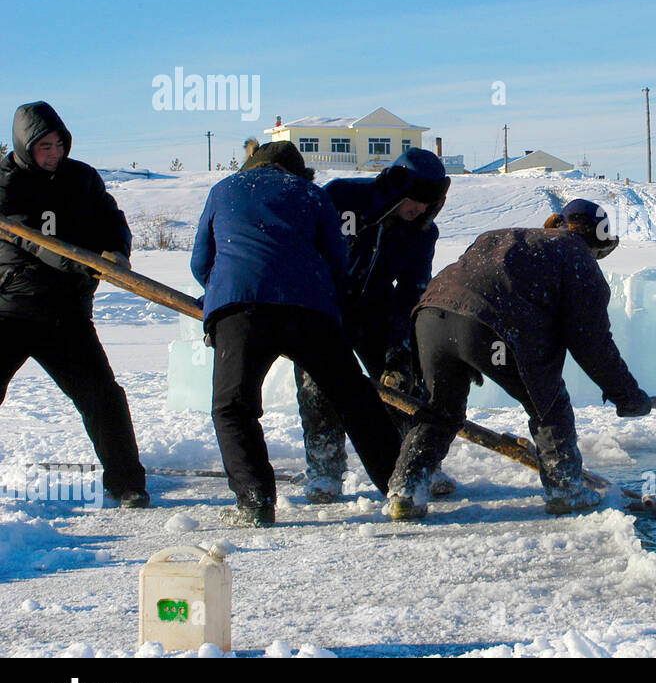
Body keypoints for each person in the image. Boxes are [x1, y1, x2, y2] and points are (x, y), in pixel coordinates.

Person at [387, 199, 652, 518]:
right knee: (549, 405)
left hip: (430, 317)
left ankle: (406, 492)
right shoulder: (577, 257)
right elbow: (591, 342)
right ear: (594, 241)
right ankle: (565, 490)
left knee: (440, 410)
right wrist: (627, 395)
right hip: (488, 324)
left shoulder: (506, 236)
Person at [191, 141, 401, 527]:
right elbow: (337, 258)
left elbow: (201, 260)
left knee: (233, 407)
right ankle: (400, 486)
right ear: (298, 171)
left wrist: (220, 292)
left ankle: (255, 500)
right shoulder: (311, 193)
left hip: (242, 306)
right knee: (355, 398)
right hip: (309, 308)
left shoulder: (223, 190)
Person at [0, 101, 149, 507]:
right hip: (10, 310)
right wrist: (83, 264)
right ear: (24, 145)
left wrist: (116, 253)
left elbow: (112, 219)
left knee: (103, 396)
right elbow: (28, 239)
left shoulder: (81, 177)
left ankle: (127, 483)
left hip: (67, 313)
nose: (53, 154)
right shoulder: (4, 181)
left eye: (58, 144)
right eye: (43, 146)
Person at [295, 147, 453, 503]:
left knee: (403, 384)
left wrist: (400, 349)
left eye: (429, 205)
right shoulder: (341, 197)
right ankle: (324, 471)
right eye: (415, 201)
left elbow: (411, 290)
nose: (420, 210)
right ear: (396, 186)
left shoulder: (422, 231)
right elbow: (303, 249)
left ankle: (414, 465)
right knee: (317, 388)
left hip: (373, 311)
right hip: (322, 308)